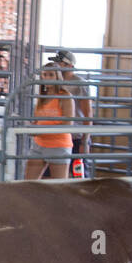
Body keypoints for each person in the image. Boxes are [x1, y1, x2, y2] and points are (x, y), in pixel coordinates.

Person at [25, 63, 74, 181]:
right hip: (39, 145)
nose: (47, 78)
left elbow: (68, 124)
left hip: (58, 146)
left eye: (51, 75)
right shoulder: (42, 97)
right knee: (28, 183)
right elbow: (37, 122)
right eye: (45, 75)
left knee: (59, 186)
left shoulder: (65, 96)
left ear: (57, 77)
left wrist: (41, 130)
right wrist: (30, 128)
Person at [51, 49, 91, 177]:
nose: (57, 66)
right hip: (57, 136)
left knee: (77, 174)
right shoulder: (54, 83)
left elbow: (87, 113)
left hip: (75, 137)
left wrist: (85, 141)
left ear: (69, 65)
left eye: (60, 63)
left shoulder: (79, 84)